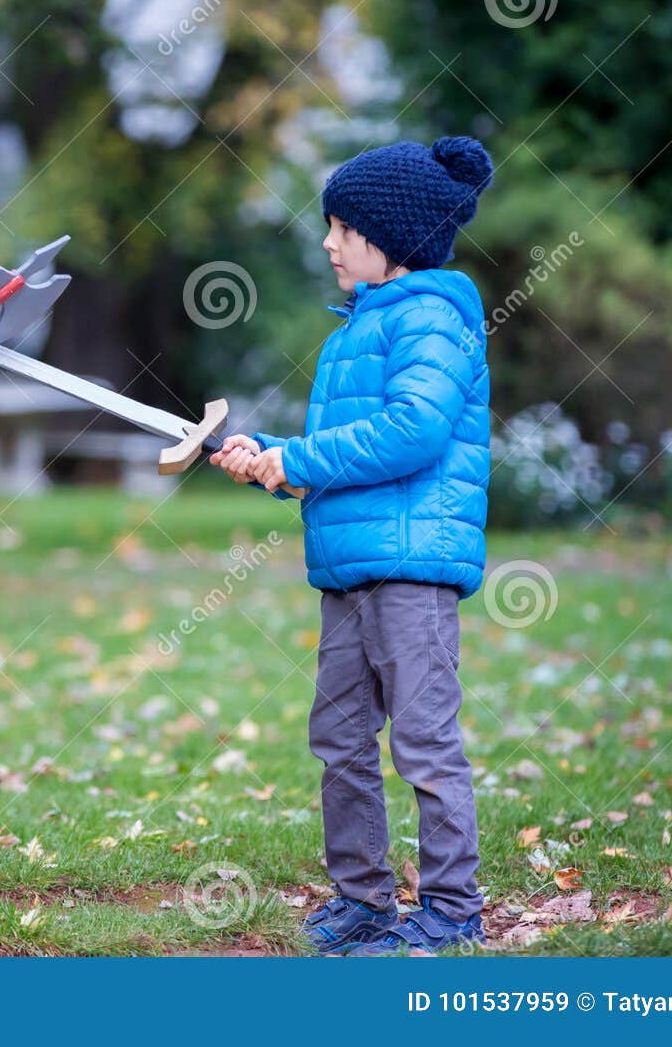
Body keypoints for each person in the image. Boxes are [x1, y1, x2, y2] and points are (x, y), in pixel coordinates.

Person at [212, 136, 495, 955]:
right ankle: (363, 901)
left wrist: (297, 458)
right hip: (350, 570)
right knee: (339, 738)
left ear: (393, 237)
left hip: (411, 568)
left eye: (342, 227)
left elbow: (412, 431)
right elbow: (345, 445)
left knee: (424, 741)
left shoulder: (433, 318)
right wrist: (267, 452)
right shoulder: (358, 329)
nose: (329, 242)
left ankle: (451, 907)